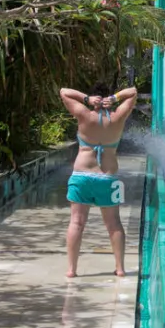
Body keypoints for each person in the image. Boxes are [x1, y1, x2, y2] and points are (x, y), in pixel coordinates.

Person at [59, 83, 138, 277]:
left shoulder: (85, 115)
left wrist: (86, 99)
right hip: (109, 178)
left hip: (81, 176)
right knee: (114, 224)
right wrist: (116, 98)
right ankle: (120, 268)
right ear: (107, 100)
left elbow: (64, 92)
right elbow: (133, 92)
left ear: (95, 100)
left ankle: (72, 270)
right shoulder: (118, 117)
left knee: (76, 223)